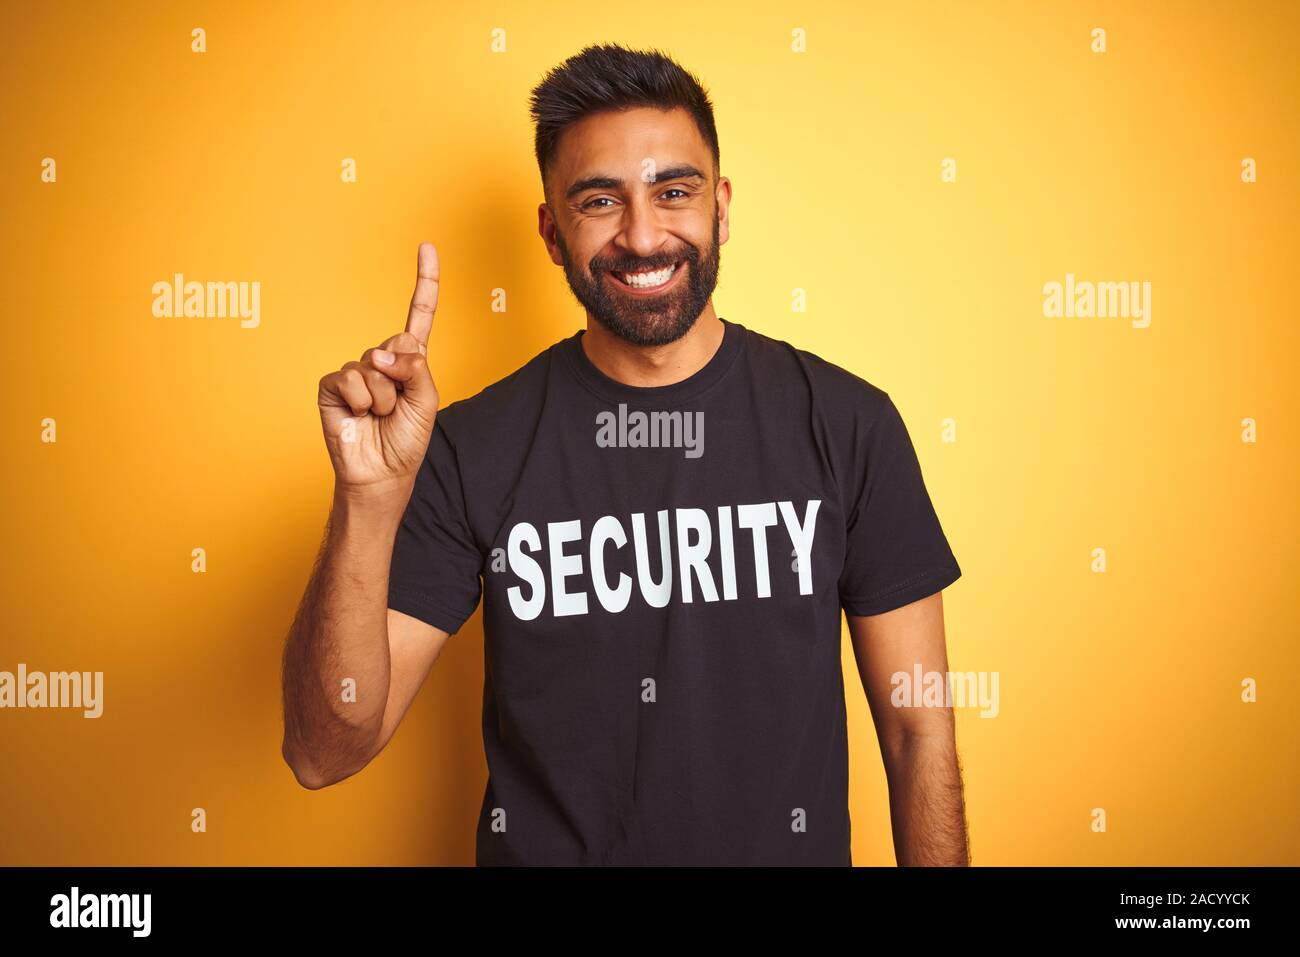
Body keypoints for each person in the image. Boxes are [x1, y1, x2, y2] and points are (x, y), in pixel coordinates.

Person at [281, 42, 969, 866]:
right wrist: (365, 501)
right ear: (550, 231)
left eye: (672, 191)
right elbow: (325, 750)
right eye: (600, 201)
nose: (643, 236)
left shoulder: (848, 423)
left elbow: (917, 727)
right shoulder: (468, 447)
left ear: (719, 207)